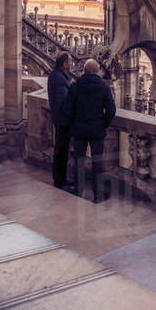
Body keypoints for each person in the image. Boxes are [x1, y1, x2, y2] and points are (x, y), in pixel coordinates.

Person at [63, 58, 116, 202]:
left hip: (79, 130)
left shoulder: (75, 86)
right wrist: (103, 124)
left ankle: (78, 190)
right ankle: (98, 195)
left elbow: (68, 109)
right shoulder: (104, 87)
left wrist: (74, 124)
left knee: (79, 160)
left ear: (84, 70)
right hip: (96, 130)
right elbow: (111, 110)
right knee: (97, 162)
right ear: (97, 71)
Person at [47, 52, 75, 190]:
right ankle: (59, 180)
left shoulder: (57, 76)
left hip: (60, 120)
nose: (71, 65)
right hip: (63, 121)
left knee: (61, 150)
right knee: (61, 151)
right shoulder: (58, 78)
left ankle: (60, 178)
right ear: (64, 64)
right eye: (70, 62)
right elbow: (62, 103)